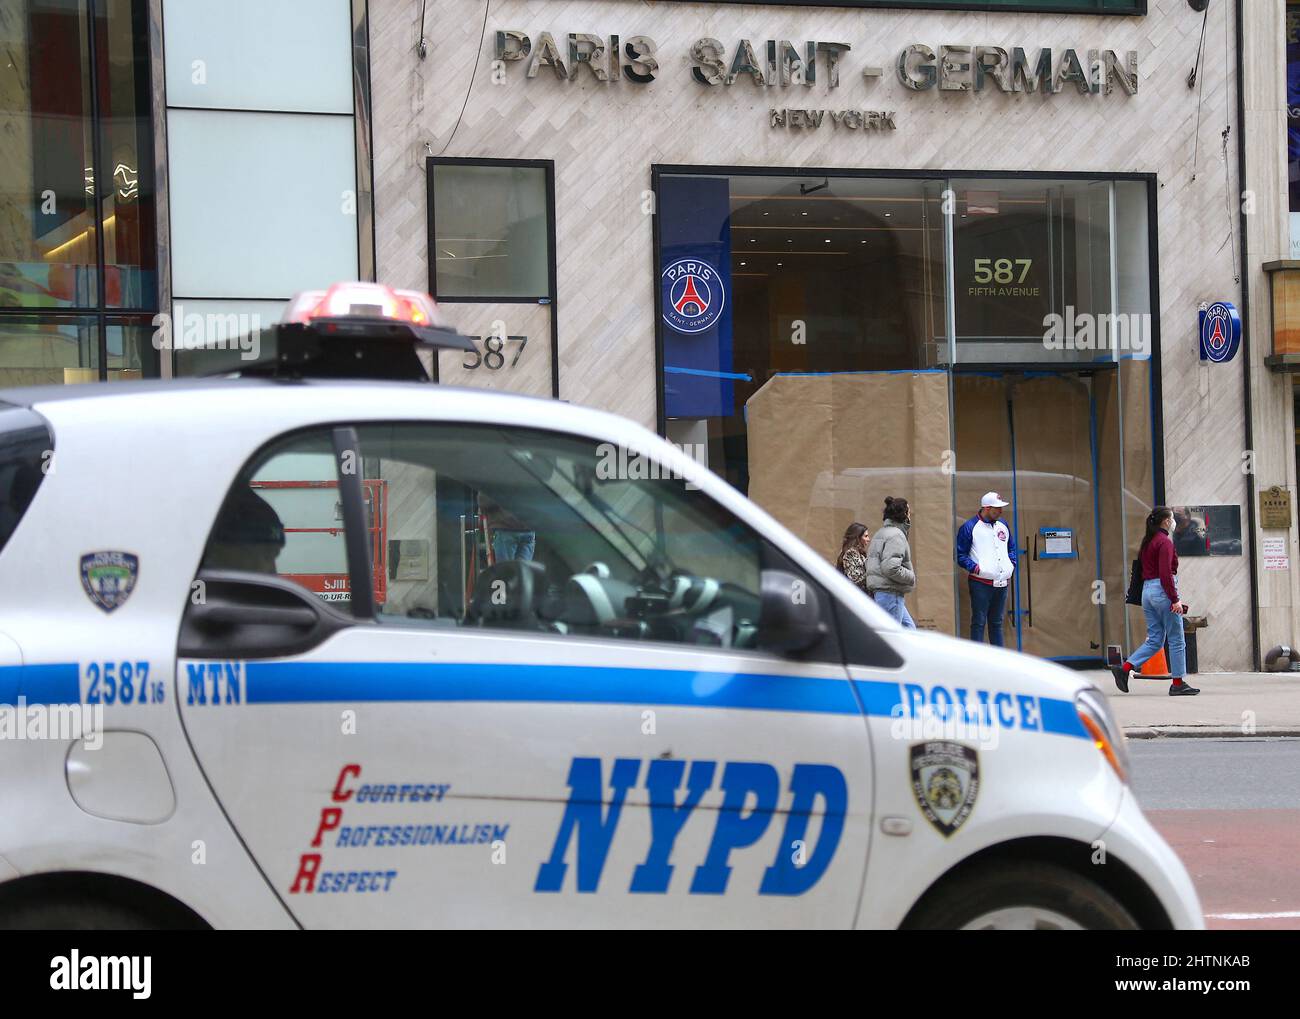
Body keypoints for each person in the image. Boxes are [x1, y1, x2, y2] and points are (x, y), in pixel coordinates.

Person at [1111, 506, 1199, 696]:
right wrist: (1174, 599)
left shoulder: (1147, 542)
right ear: (1166, 522)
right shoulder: (1165, 543)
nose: (1174, 521)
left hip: (1147, 592)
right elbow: (1166, 573)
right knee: (1176, 639)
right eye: (1172, 518)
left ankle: (1124, 669)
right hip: (1163, 591)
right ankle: (1177, 683)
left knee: (1156, 639)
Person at [955, 492, 1017, 646]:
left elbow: (1011, 548)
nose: (1001, 511)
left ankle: (999, 660)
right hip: (980, 583)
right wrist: (976, 568)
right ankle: (978, 661)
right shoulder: (969, 527)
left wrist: (1011, 564)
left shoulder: (1003, 525)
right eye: (997, 508)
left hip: (1002, 583)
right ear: (987, 508)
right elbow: (960, 554)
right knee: (979, 622)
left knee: (997, 623)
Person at [866, 496, 917, 628]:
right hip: (890, 594)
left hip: (884, 593)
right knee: (892, 638)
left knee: (909, 629)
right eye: (908, 511)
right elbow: (890, 567)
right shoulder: (896, 535)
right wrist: (911, 576)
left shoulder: (881, 533)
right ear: (904, 514)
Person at [835, 521, 871, 593]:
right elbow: (856, 578)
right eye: (866, 536)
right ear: (858, 537)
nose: (868, 539)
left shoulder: (859, 553)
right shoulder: (850, 553)